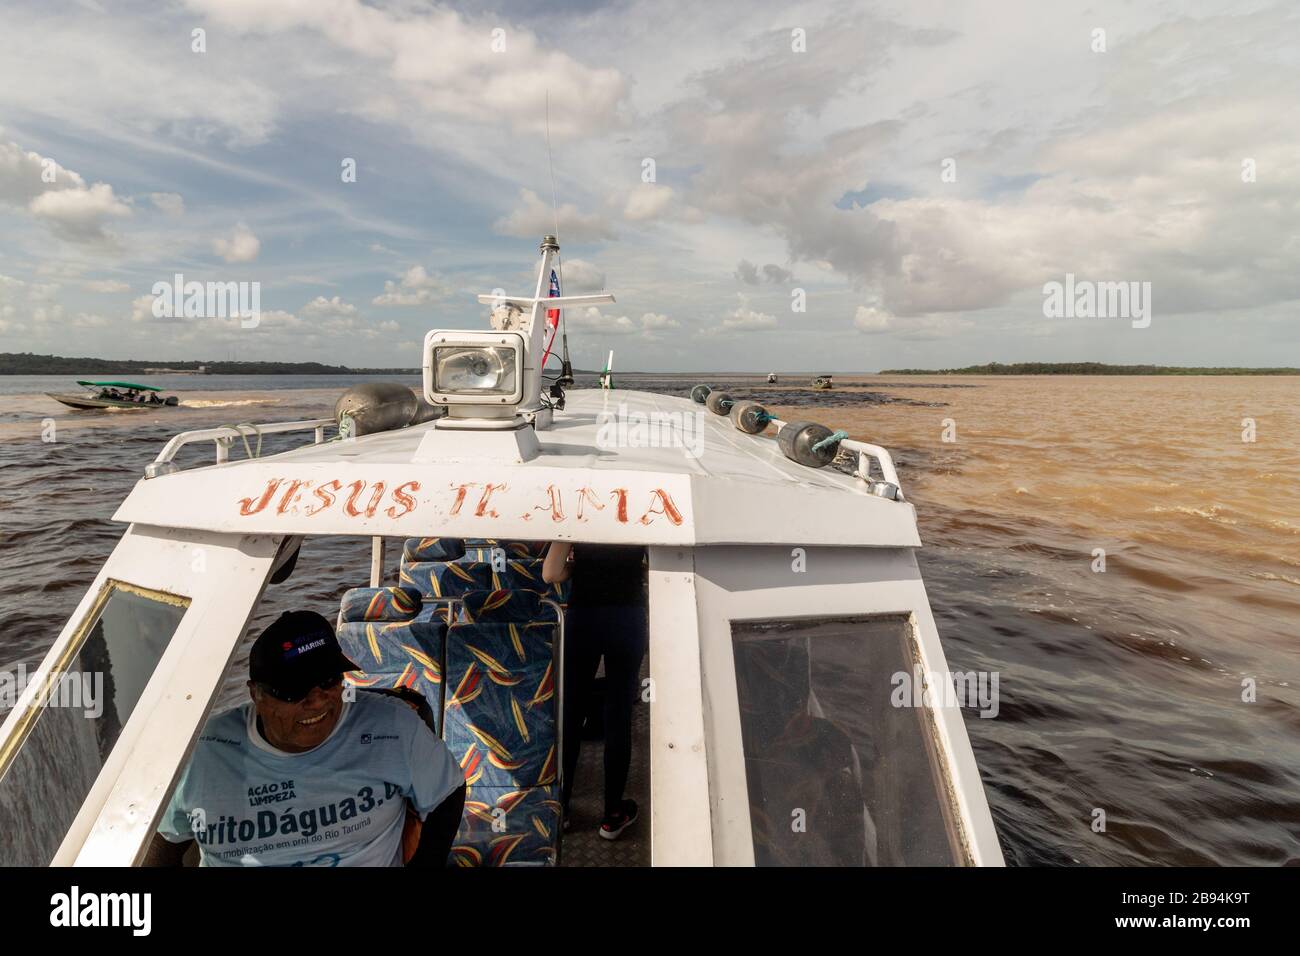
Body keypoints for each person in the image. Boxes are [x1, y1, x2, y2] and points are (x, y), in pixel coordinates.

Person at [144, 610, 466, 867]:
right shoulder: (205, 751)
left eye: (328, 680)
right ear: (256, 695)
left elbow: (447, 791)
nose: (317, 700)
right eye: (295, 689)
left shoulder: (392, 725)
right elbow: (164, 840)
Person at [543, 541, 647, 840]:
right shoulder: (643, 513)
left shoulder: (579, 511)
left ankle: (560, 808)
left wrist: (579, 566)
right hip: (627, 618)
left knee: (572, 713)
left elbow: (550, 574)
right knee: (619, 715)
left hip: (584, 619)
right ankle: (613, 815)